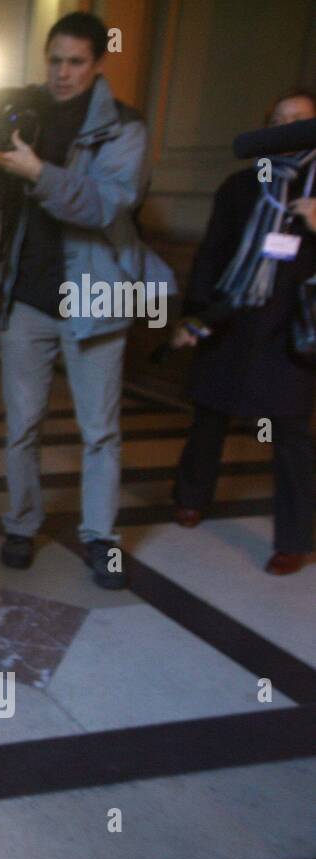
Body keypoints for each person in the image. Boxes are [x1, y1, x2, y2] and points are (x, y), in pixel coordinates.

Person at [0, 10, 175, 589]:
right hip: (29, 295)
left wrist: (37, 171)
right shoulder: (26, 114)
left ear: (97, 64)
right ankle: (21, 523)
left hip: (94, 293)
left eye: (75, 62)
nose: (62, 73)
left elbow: (105, 205)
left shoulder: (125, 127)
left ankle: (101, 538)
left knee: (100, 430)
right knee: (22, 425)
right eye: (54, 61)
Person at [168, 89, 316, 575]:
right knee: (209, 415)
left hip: (290, 324)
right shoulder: (241, 185)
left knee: (291, 435)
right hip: (232, 316)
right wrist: (195, 317)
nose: (288, 128)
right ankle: (191, 497)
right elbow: (211, 254)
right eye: (279, 120)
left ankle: (293, 538)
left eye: (300, 120)